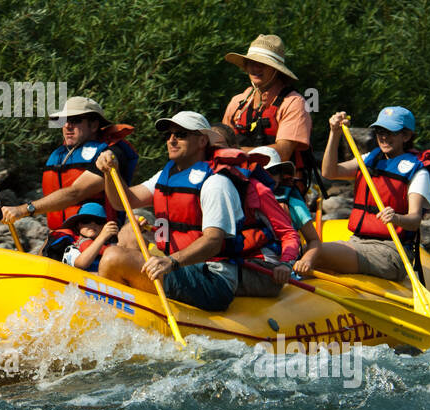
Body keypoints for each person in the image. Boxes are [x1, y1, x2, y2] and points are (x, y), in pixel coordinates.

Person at [93, 111, 299, 312]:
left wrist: (171, 262)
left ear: (202, 142)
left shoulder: (216, 183)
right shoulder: (167, 174)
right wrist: (110, 173)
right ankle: (132, 309)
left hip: (213, 279)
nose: (172, 140)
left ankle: (109, 314)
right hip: (183, 266)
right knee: (129, 233)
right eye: (168, 135)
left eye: (181, 134)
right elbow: (124, 201)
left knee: (113, 257)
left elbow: (213, 242)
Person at [295, 107, 430, 282]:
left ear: (406, 136)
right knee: (306, 251)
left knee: (312, 252)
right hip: (357, 241)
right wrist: (334, 133)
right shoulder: (369, 159)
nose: (384, 137)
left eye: (391, 132)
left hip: (390, 252)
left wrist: (396, 218)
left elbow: (414, 221)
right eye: (380, 131)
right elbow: (330, 172)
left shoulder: (418, 172)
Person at [0, 96, 138, 232]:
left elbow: (76, 193)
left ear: (94, 125)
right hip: (63, 233)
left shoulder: (111, 154)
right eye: (64, 121)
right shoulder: (62, 154)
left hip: (98, 234)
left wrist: (24, 210)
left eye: (75, 120)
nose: (67, 126)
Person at [223, 34, 315, 186]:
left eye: (262, 64)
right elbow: (222, 141)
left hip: (280, 189)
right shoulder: (237, 103)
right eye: (251, 62)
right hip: (238, 182)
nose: (255, 68)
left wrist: (233, 152)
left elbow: (283, 152)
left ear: (276, 69)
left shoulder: (294, 103)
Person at [248, 146, 321, 259]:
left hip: (283, 262)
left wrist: (306, 261)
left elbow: (314, 240)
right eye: (262, 172)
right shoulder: (242, 198)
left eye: (274, 171)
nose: (269, 176)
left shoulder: (293, 203)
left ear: (281, 175)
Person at [47, 202, 118, 272]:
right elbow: (81, 264)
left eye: (98, 221)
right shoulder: (71, 244)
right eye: (86, 221)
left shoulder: (112, 244)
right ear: (78, 225)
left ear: (104, 226)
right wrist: (102, 237)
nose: (93, 224)